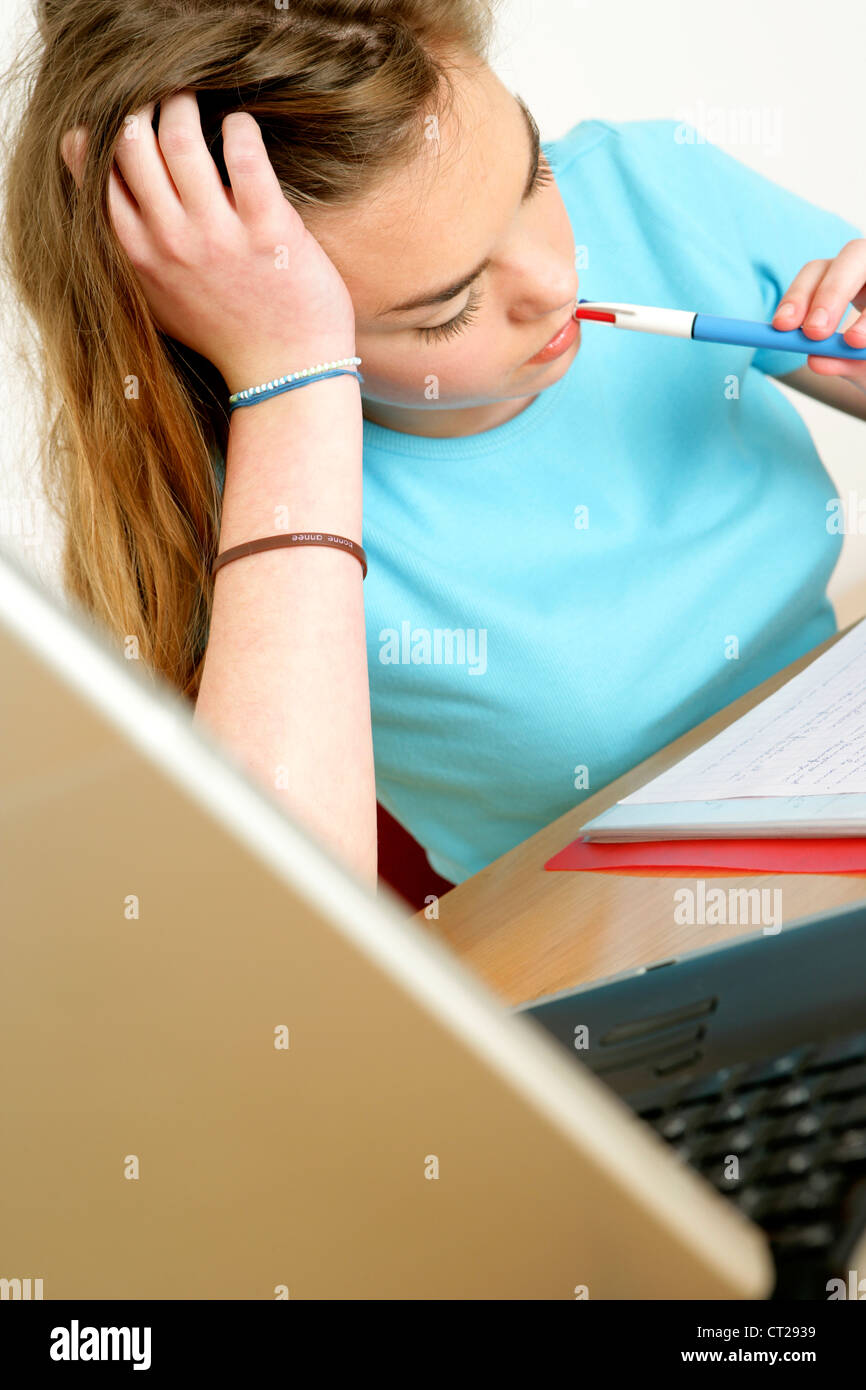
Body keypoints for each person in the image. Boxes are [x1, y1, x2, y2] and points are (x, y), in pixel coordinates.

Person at [4, 0, 865, 893]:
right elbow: (275, 936)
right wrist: (292, 382)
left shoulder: (645, 185)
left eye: (534, 173)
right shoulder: (242, 496)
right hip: (597, 931)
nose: (557, 282)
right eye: (448, 305)